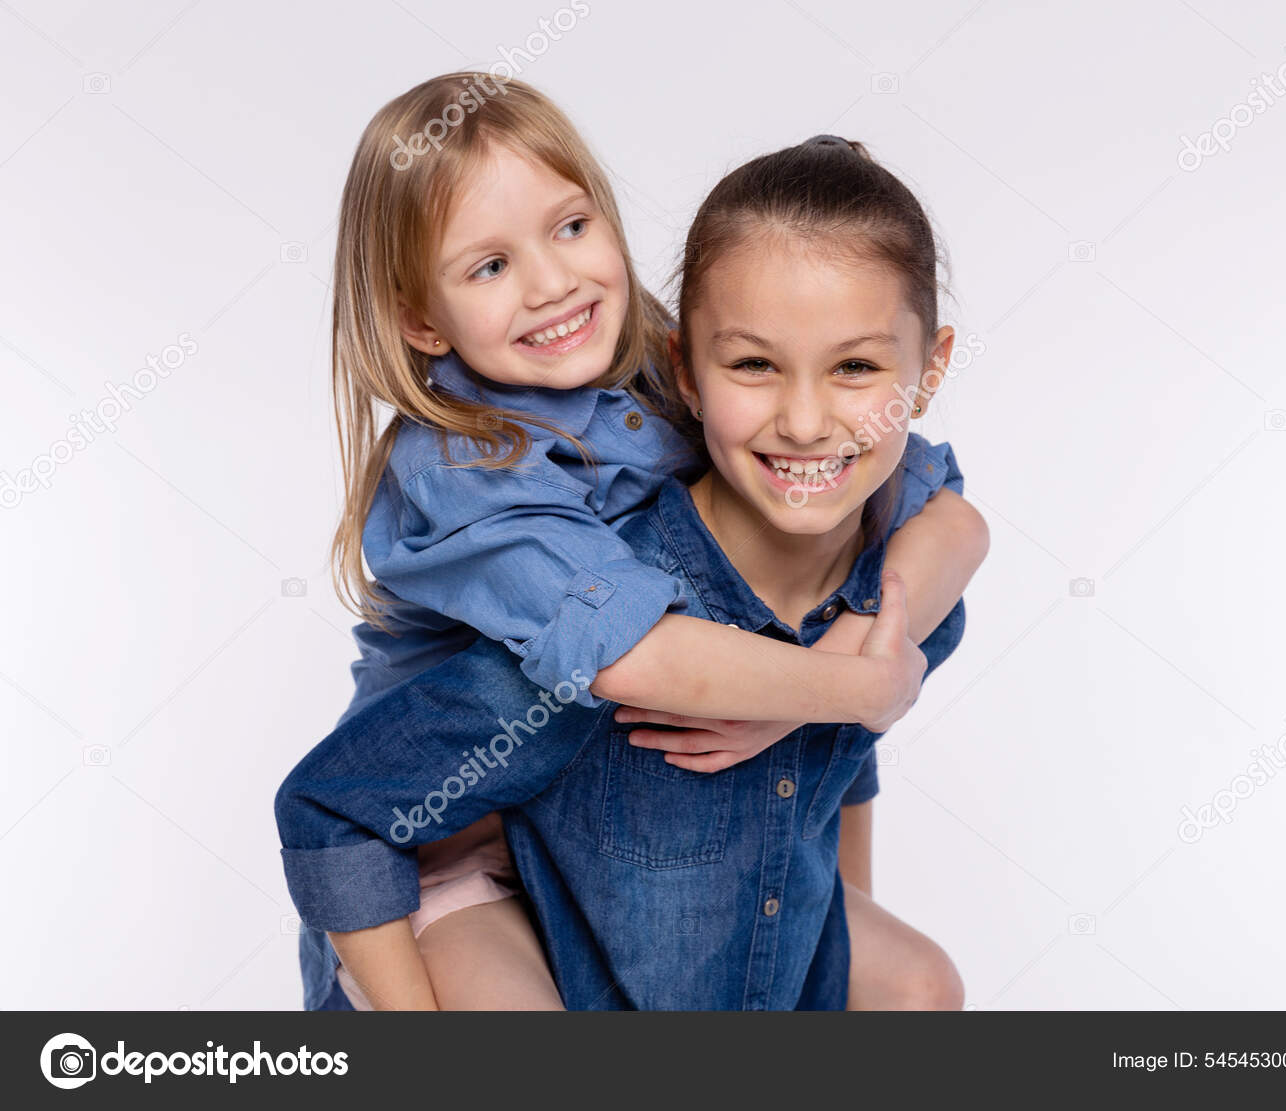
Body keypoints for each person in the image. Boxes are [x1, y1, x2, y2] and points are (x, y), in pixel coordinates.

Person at [281, 73, 987, 1009]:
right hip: (450, 836)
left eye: (571, 227)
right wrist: (850, 685)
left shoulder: (668, 369)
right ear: (418, 318)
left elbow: (936, 502)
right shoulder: (462, 463)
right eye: (489, 266)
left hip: (602, 806)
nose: (552, 281)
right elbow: (624, 652)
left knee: (913, 977)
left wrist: (840, 669)